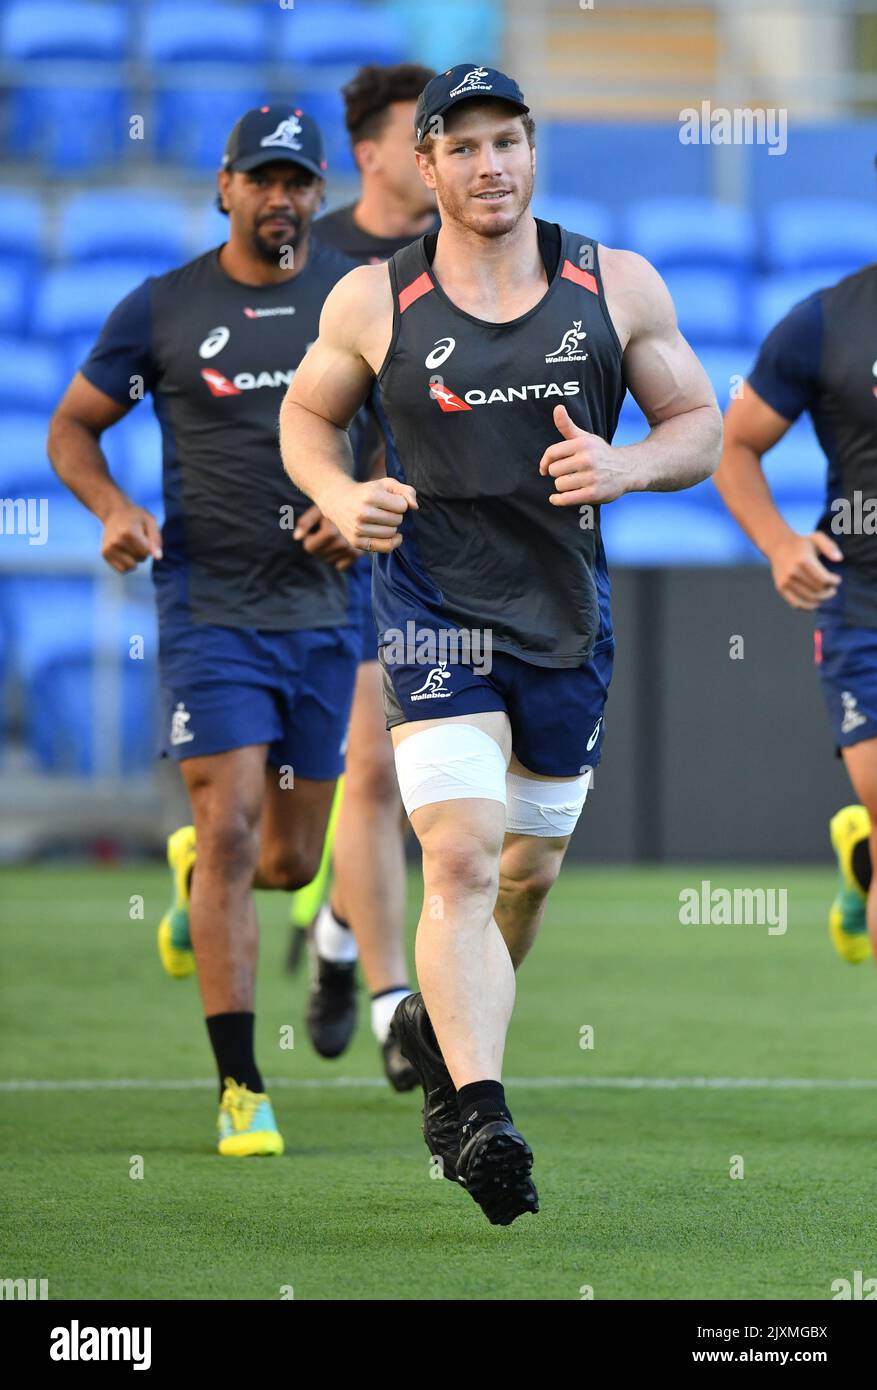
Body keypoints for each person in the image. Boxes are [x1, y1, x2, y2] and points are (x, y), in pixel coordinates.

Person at [279, 64, 720, 1223]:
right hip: (431, 608)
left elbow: (700, 424)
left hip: (565, 623)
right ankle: (479, 1112)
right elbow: (306, 416)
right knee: (463, 856)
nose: (491, 166)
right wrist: (339, 489)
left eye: (508, 142)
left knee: (523, 877)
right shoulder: (376, 300)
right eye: (463, 147)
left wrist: (627, 466)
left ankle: (439, 1023)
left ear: (532, 151)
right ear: (423, 166)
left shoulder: (613, 283)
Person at [47, 106, 362, 1156]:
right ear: (224, 187)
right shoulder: (167, 308)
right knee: (229, 826)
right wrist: (115, 510)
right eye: (261, 179)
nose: (281, 198)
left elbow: (414, 437)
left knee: (288, 859)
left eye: (299, 181)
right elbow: (73, 424)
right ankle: (241, 1087)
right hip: (208, 609)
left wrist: (359, 504)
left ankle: (197, 873)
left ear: (321, 192)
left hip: (327, 615)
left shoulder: (357, 305)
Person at [289, 62, 439, 1091]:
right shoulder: (320, 262)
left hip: (445, 548)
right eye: (424, 135)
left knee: (439, 794)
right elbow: (287, 405)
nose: (447, 155)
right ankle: (394, 1005)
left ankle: (339, 939)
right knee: (373, 773)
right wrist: (339, 499)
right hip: (335, 544)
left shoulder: (478, 254)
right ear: (372, 153)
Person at [715, 248, 877, 967]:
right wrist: (780, 545)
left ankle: (862, 857)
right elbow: (732, 445)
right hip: (864, 610)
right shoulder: (824, 322)